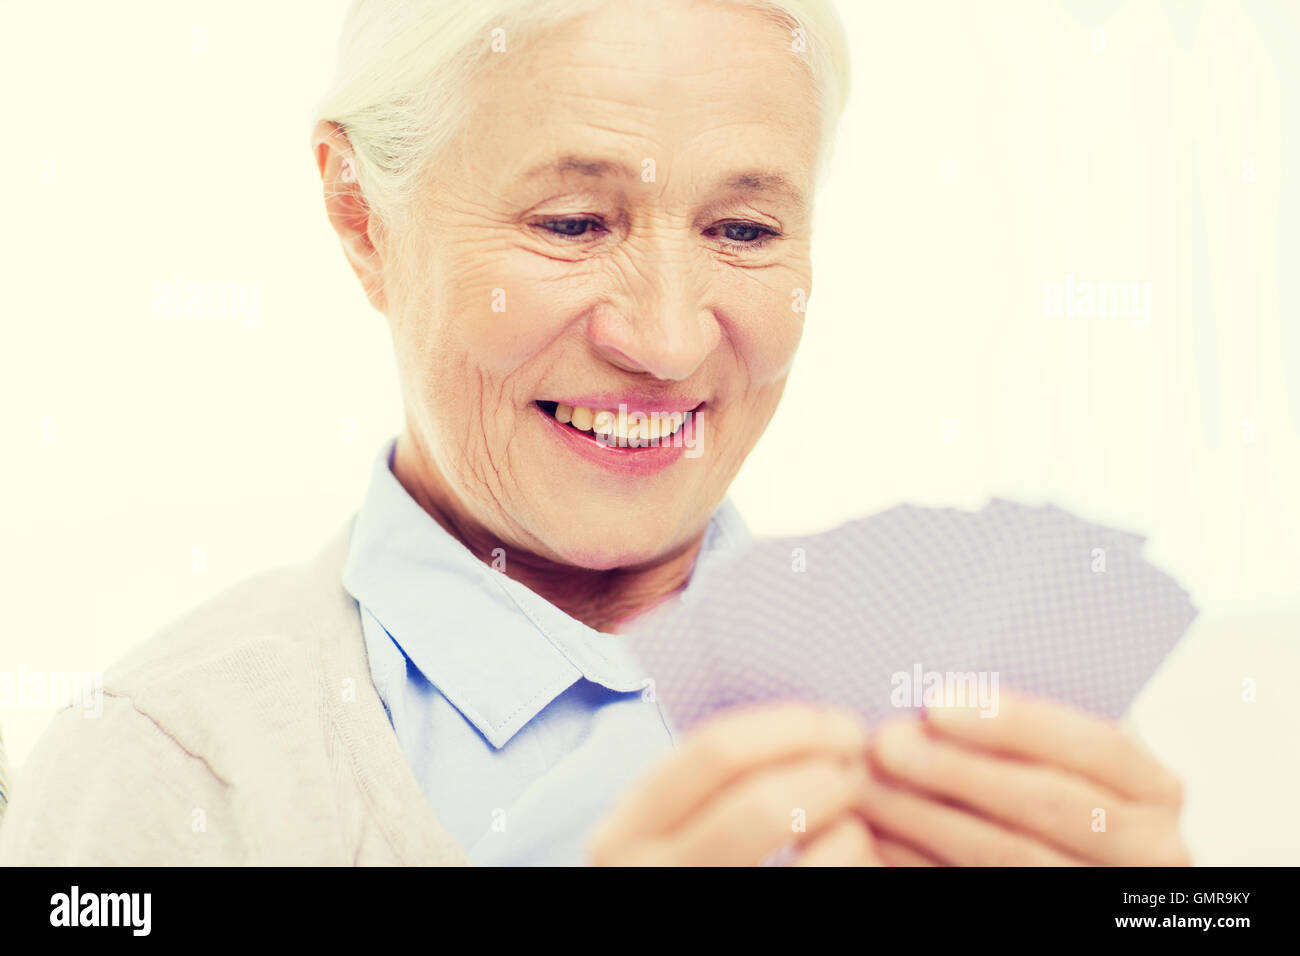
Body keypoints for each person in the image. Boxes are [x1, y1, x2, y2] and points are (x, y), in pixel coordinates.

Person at [0, 0, 1188, 866]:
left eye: (743, 230)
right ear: (360, 215)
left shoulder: (986, 704)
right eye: (571, 223)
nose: (666, 341)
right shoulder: (163, 771)